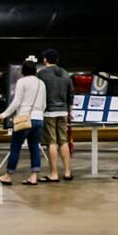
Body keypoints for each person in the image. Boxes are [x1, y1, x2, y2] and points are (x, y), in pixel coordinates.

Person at [0, 60, 46, 185]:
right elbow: (44, 104)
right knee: (34, 148)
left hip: (24, 118)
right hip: (39, 119)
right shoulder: (41, 83)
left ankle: (8, 176)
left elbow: (16, 102)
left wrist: (4, 115)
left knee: (15, 148)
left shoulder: (22, 82)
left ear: (23, 70)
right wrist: (38, 114)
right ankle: (33, 176)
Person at [37, 49, 74, 182]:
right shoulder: (65, 73)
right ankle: (68, 172)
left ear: (45, 59)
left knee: (51, 142)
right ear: (57, 60)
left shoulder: (41, 74)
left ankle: (54, 173)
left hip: (49, 112)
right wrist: (68, 110)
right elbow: (71, 93)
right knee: (63, 141)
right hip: (63, 111)